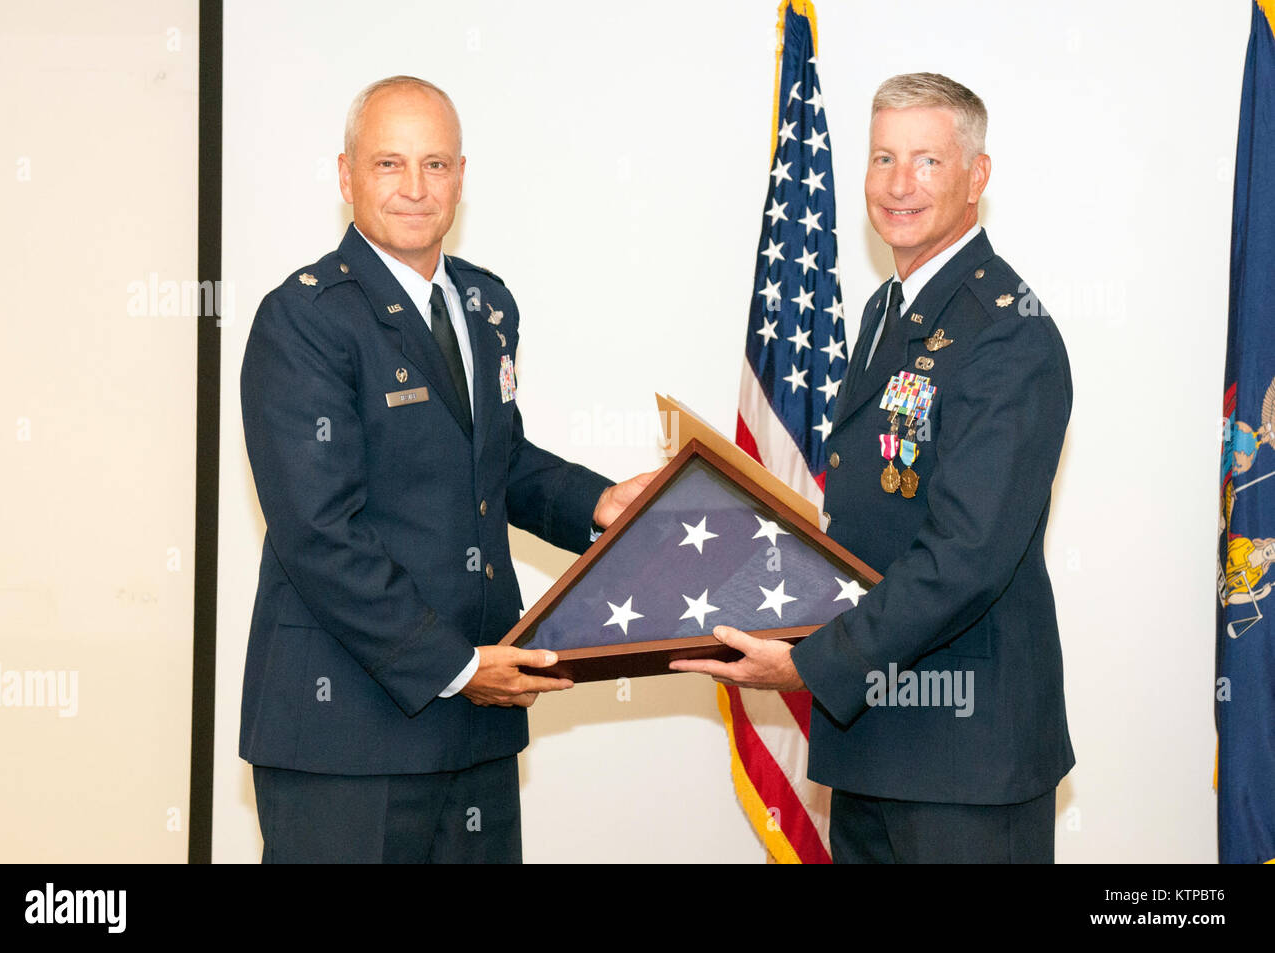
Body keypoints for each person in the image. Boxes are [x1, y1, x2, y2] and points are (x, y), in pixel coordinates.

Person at [239, 75, 654, 863]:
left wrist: (601, 503)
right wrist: (458, 666)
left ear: (461, 176)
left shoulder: (486, 303)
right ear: (345, 174)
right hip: (347, 732)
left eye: (435, 164)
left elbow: (495, 463)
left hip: (477, 723)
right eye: (389, 164)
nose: (415, 188)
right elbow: (318, 531)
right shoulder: (304, 318)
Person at [672, 72, 1074, 863]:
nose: (898, 185)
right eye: (883, 157)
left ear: (976, 176)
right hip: (873, 741)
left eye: (926, 161)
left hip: (964, 761)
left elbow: (966, 556)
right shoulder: (891, 310)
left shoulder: (1007, 332)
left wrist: (810, 660)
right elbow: (867, 519)